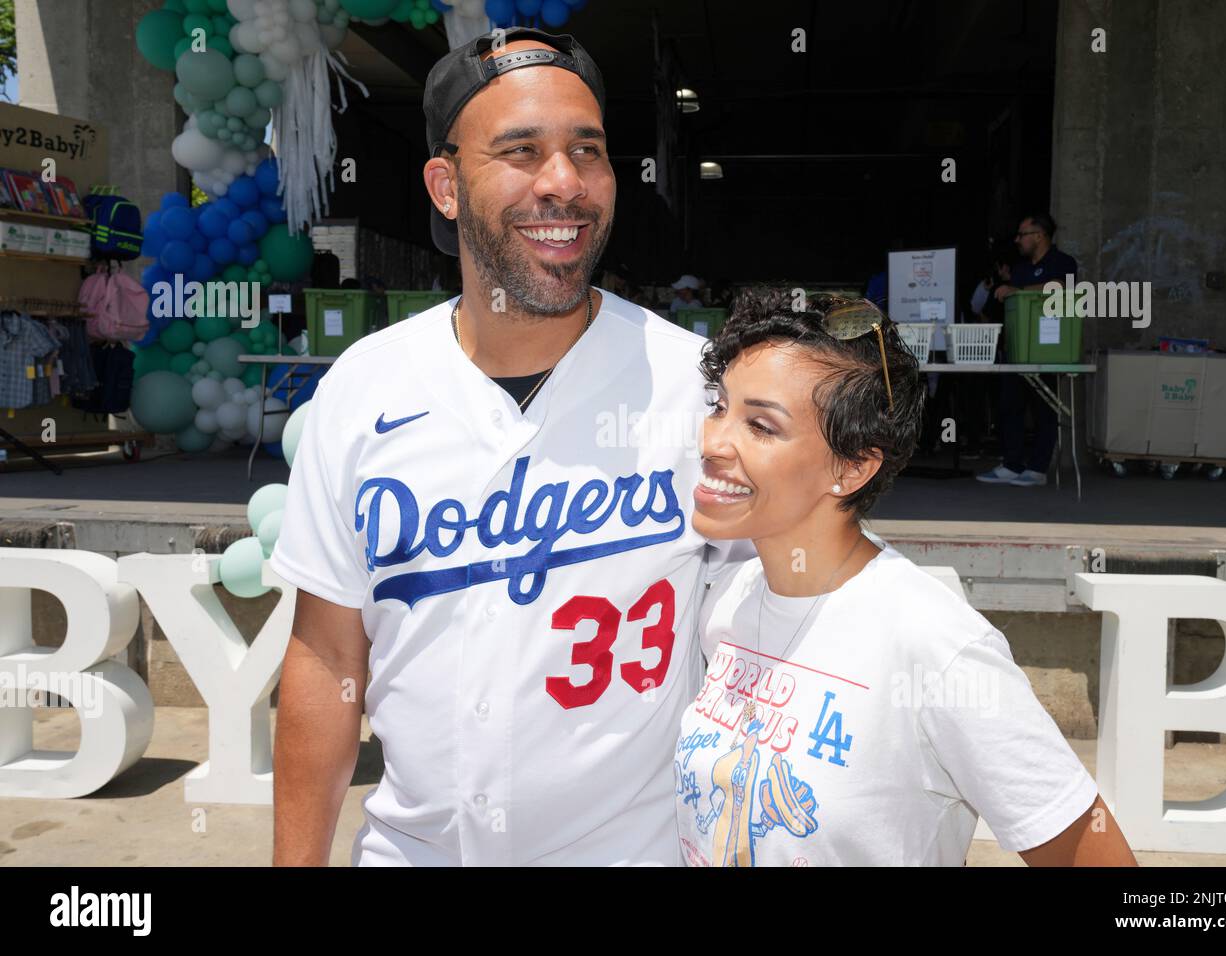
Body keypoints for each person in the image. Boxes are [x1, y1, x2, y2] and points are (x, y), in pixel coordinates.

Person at [269, 26, 748, 867]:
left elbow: (771, 637)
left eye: (587, 152)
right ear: (446, 185)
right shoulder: (364, 386)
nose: (563, 183)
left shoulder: (696, 389)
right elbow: (326, 655)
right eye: (522, 151)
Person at [674, 288, 1137, 867]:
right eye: (720, 407)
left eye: (761, 426)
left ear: (852, 467)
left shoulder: (934, 643)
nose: (714, 442)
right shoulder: (729, 604)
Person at [977, 213, 1079, 486]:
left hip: (1048, 350)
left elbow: (1063, 288)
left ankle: (1037, 469)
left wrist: (1017, 290)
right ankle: (1012, 464)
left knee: (1045, 409)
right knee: (1010, 406)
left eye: (1022, 234)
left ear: (1039, 235)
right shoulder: (1020, 269)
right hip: (1017, 351)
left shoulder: (1063, 263)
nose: (1017, 240)